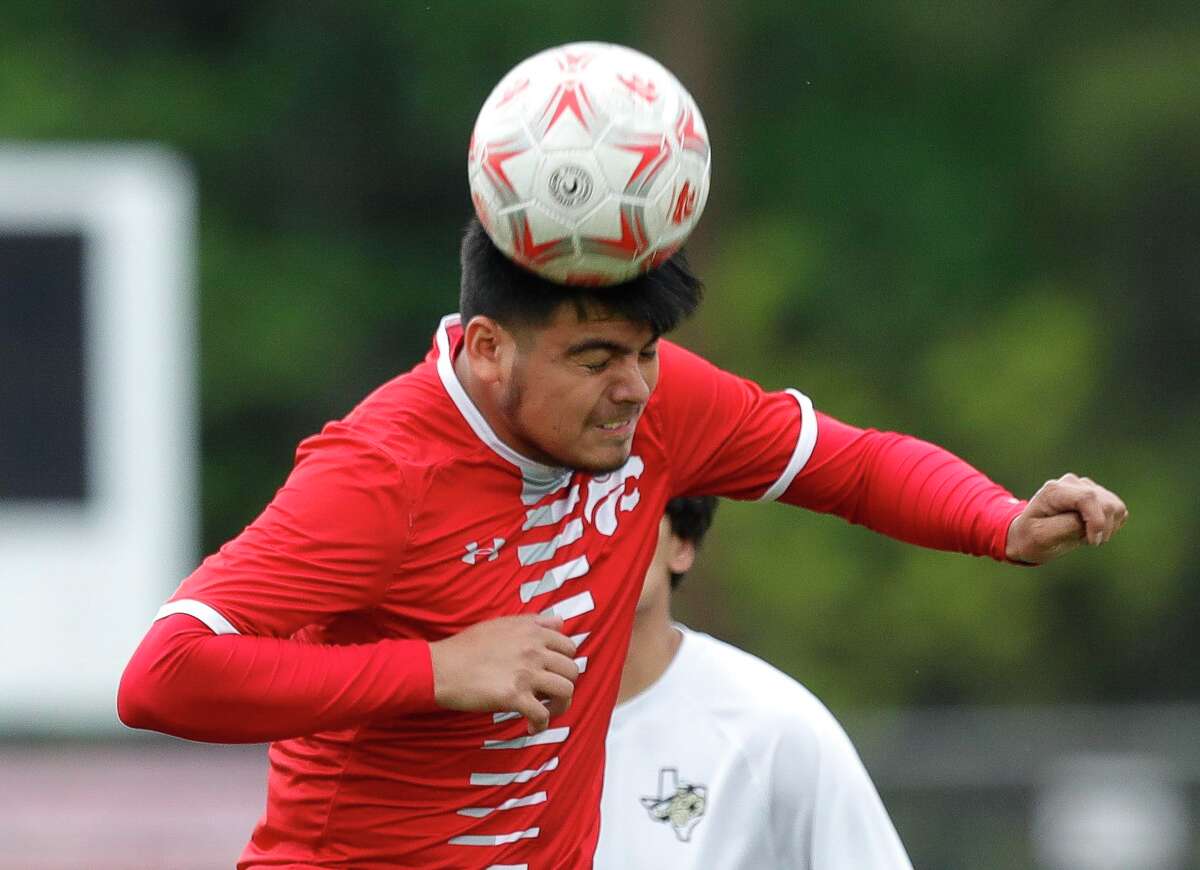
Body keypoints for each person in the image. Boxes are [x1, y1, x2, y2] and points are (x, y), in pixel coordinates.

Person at [118, 219, 1127, 869]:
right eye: (596, 358)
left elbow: (849, 466)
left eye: (645, 355)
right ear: (486, 348)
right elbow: (162, 677)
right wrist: (431, 672)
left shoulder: (654, 403)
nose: (634, 390)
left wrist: (995, 519)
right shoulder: (377, 475)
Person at [595, 497, 913, 869]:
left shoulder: (774, 729)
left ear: (681, 544)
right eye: (564, 512)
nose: (595, 533)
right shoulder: (510, 729)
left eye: (625, 506)